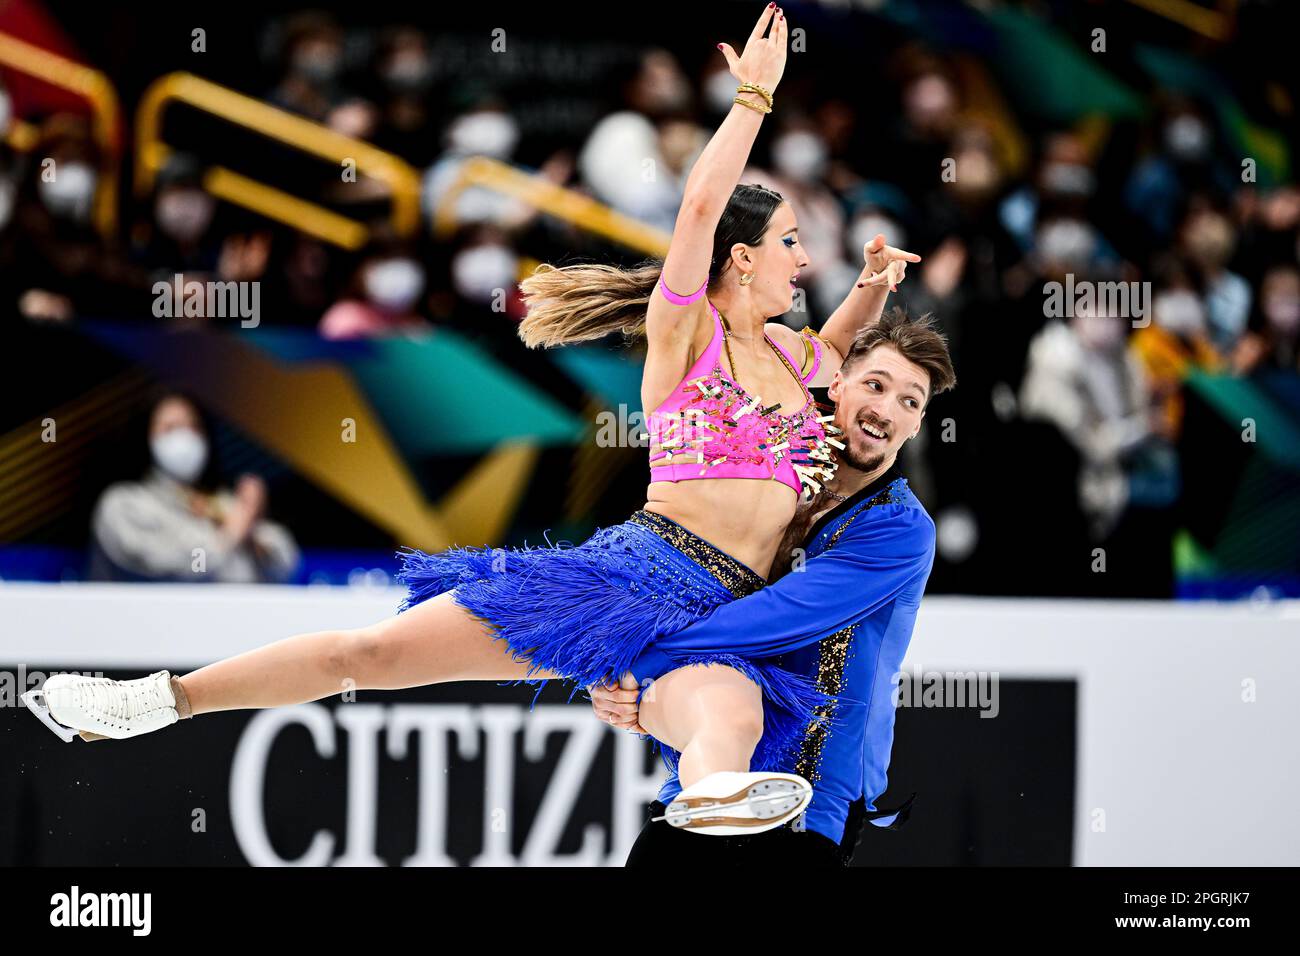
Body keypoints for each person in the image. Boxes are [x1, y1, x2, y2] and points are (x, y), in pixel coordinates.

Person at [25, 4, 915, 837]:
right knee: (368, 654)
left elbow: (840, 353)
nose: (806, 260)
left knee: (732, 712)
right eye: (793, 243)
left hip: (728, 612)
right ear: (742, 256)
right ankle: (156, 702)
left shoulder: (797, 363)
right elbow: (694, 208)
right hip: (637, 577)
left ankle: (713, 799)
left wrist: (872, 290)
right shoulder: (686, 337)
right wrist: (753, 99)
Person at [591, 309, 955, 865]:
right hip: (710, 779)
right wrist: (620, 672)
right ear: (837, 385)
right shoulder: (771, 473)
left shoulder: (899, 530)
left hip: (810, 812)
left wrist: (644, 664)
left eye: (910, 401)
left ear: (917, 424)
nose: (885, 410)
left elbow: (780, 615)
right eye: (875, 385)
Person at [89, 390, 300, 584]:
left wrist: (250, 529)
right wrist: (231, 533)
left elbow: (285, 564)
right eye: (170, 428)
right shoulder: (123, 505)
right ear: (146, 436)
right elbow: (177, 568)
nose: (185, 438)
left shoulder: (220, 503)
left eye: (193, 427)